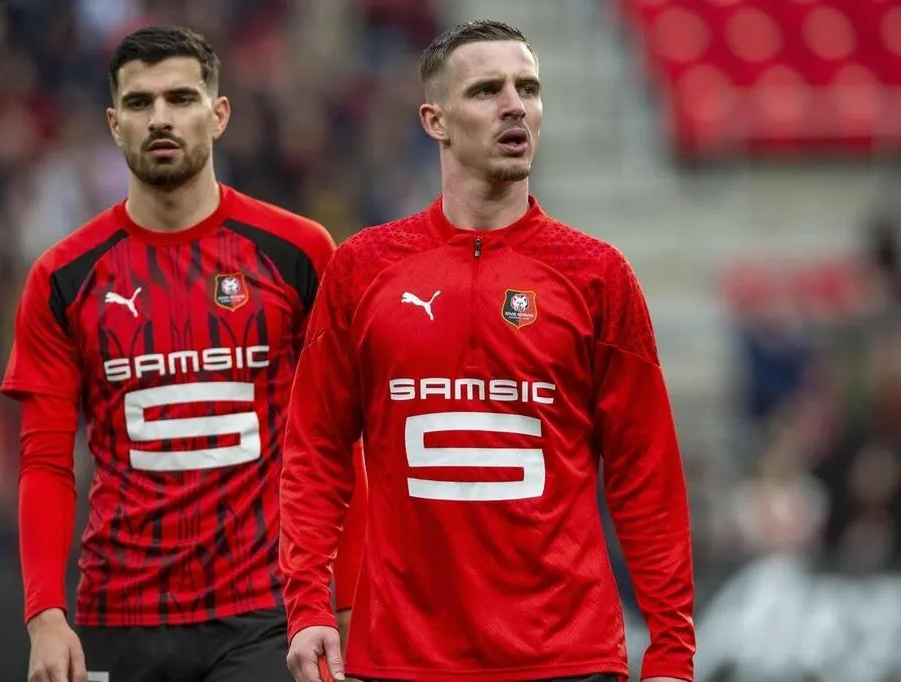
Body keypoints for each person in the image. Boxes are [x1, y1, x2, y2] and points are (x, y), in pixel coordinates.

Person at [279, 19, 696, 682]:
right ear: (434, 119)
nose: (514, 106)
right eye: (487, 90)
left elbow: (646, 477)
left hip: (567, 658)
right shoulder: (363, 269)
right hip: (402, 660)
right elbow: (314, 457)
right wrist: (309, 609)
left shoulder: (597, 276)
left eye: (528, 88)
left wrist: (672, 650)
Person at [1, 25, 362, 682]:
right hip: (121, 613)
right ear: (114, 124)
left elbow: (342, 442)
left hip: (267, 610)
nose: (160, 118)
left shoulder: (299, 254)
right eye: (139, 104)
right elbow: (45, 461)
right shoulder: (64, 277)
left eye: (181, 98)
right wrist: (45, 613)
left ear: (218, 114)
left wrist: (344, 602)